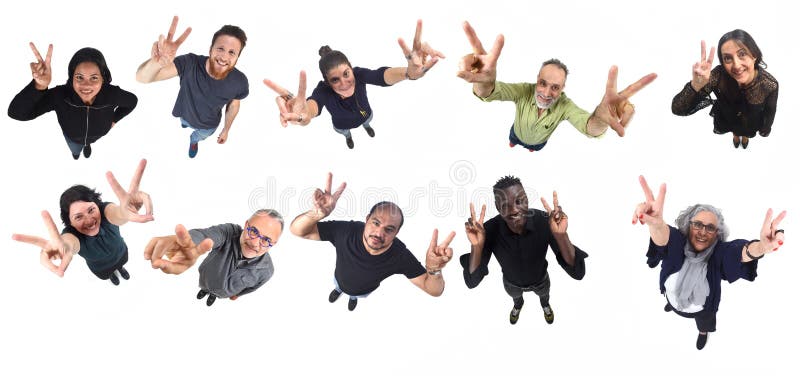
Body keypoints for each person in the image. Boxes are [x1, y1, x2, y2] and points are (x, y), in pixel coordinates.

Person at [633, 175, 786, 350]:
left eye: (710, 227)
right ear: (687, 225)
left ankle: (703, 332)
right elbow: (663, 236)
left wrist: (760, 247)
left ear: (717, 234)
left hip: (703, 311)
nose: (703, 231)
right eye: (697, 224)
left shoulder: (718, 254)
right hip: (673, 296)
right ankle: (674, 304)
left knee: (704, 322)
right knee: (672, 298)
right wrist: (655, 225)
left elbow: (737, 253)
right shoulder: (678, 243)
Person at [456, 21, 657, 152]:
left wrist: (602, 118)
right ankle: (513, 142)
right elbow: (490, 92)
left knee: (533, 147)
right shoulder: (523, 91)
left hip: (539, 143)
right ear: (537, 80)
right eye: (543, 83)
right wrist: (484, 81)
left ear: (562, 88)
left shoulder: (564, 106)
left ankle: (531, 148)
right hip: (516, 132)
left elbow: (589, 126)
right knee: (513, 139)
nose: (546, 93)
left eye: (555, 87)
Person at [263, 20, 444, 149]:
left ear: (351, 68)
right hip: (342, 125)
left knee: (366, 122)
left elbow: (382, 76)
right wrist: (303, 115)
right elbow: (312, 106)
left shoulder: (359, 75)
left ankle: (367, 127)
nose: (344, 83)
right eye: (335, 80)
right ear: (327, 82)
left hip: (366, 115)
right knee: (345, 132)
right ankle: (348, 137)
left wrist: (408, 74)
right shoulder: (324, 91)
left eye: (346, 74)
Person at [289, 173, 455, 311]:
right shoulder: (346, 231)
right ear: (367, 219)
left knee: (354, 295)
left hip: (364, 291)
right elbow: (298, 231)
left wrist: (434, 269)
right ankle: (338, 291)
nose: (379, 233)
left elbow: (434, 290)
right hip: (339, 279)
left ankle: (353, 298)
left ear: (396, 233)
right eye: (376, 223)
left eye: (389, 229)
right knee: (340, 287)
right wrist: (316, 215)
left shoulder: (400, 255)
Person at [460, 176, 588, 325]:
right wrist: (476, 246)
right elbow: (472, 281)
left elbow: (577, 273)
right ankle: (518, 306)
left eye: (519, 201)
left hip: (541, 280)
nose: (514, 210)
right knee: (516, 298)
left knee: (544, 296)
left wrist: (561, 236)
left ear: (527, 200)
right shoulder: (487, 230)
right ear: (497, 207)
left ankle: (545, 305)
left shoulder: (546, 221)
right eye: (505, 205)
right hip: (511, 284)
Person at [12, 159, 153, 285]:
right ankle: (111, 275)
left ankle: (120, 269)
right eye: (78, 217)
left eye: (91, 210)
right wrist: (64, 247)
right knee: (108, 273)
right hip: (101, 268)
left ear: (97, 205)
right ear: (70, 223)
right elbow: (69, 242)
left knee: (120, 264)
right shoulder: (72, 235)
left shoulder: (105, 211)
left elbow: (117, 213)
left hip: (121, 253)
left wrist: (124, 212)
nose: (89, 220)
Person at [136, 16, 249, 158]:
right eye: (220, 48)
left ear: (237, 57)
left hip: (207, 126)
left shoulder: (240, 82)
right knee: (184, 123)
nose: (224, 57)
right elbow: (142, 78)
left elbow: (234, 105)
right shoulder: (189, 63)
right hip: (184, 115)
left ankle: (194, 141)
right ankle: (185, 124)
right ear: (210, 49)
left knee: (198, 136)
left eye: (232, 52)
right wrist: (157, 62)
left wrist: (226, 130)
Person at [8, 44, 138, 160]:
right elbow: (16, 113)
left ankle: (87, 145)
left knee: (87, 143)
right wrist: (39, 85)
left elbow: (132, 101)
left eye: (94, 78)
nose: (86, 85)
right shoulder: (60, 95)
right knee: (75, 149)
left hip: (96, 136)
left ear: (103, 79)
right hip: (72, 138)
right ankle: (76, 153)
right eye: (79, 77)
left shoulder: (112, 94)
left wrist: (114, 120)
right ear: (72, 78)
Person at [143, 209, 284, 307]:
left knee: (215, 294)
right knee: (204, 287)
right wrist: (187, 243)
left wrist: (237, 295)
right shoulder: (230, 232)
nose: (254, 243)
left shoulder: (267, 271)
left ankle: (213, 296)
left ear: (274, 244)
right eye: (253, 231)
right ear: (246, 225)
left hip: (224, 293)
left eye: (266, 240)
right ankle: (204, 291)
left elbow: (252, 288)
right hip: (205, 280)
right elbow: (207, 235)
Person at [671, 30, 778, 150]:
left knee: (746, 130)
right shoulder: (718, 76)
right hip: (728, 116)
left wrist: (766, 128)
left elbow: (770, 110)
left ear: (754, 55)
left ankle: (745, 137)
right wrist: (695, 86)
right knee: (734, 128)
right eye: (727, 58)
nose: (736, 65)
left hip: (750, 121)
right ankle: (735, 135)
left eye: (742, 54)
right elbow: (677, 109)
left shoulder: (769, 84)